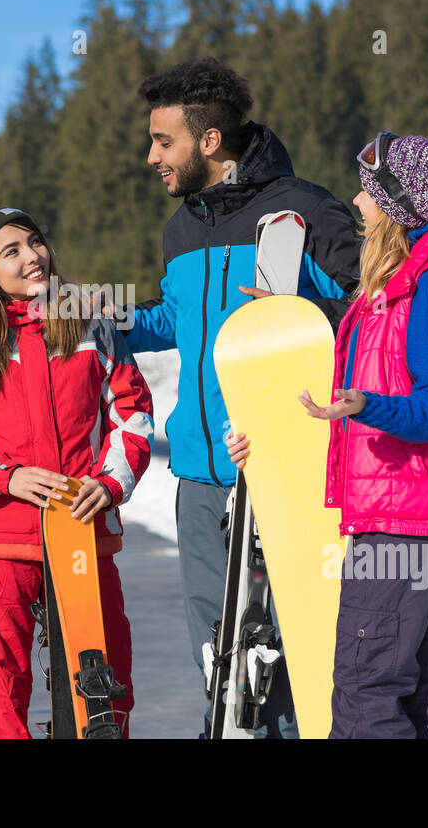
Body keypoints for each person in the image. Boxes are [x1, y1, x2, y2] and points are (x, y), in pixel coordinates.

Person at [118, 57, 362, 737]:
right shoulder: (182, 228)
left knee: (293, 668)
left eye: (163, 141)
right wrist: (99, 323)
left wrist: (304, 311)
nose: (151, 157)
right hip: (199, 478)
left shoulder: (307, 210)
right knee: (221, 671)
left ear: (210, 142)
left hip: (286, 474)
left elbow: (379, 308)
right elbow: (175, 318)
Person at [228, 132, 428, 738]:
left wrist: (366, 406)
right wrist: (296, 310)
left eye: (370, 193)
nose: (356, 201)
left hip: (408, 519)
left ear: (400, 209)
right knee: (427, 687)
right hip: (427, 513)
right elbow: (371, 337)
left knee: (365, 687)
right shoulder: (405, 284)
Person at [0, 207, 153, 738]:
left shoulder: (91, 328)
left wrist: (110, 484)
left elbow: (132, 417)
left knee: (104, 694)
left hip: (82, 537)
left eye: (35, 241)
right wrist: (6, 478)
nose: (33, 257)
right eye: (11, 251)